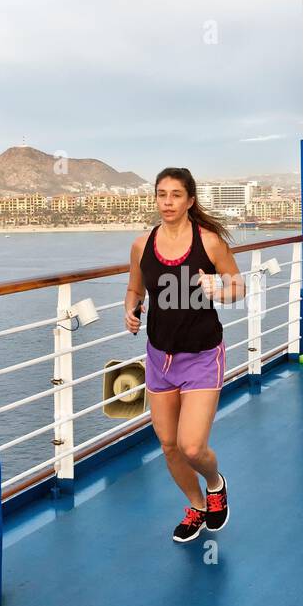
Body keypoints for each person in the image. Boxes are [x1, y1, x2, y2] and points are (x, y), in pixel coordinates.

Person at [124, 166, 246, 542]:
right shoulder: (142, 244)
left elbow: (238, 286)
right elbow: (134, 289)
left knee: (192, 445)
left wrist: (217, 290)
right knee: (169, 444)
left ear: (190, 200)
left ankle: (214, 483)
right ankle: (195, 505)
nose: (168, 202)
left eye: (176, 194)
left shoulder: (208, 243)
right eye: (162, 194)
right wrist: (130, 309)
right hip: (159, 357)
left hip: (202, 355)